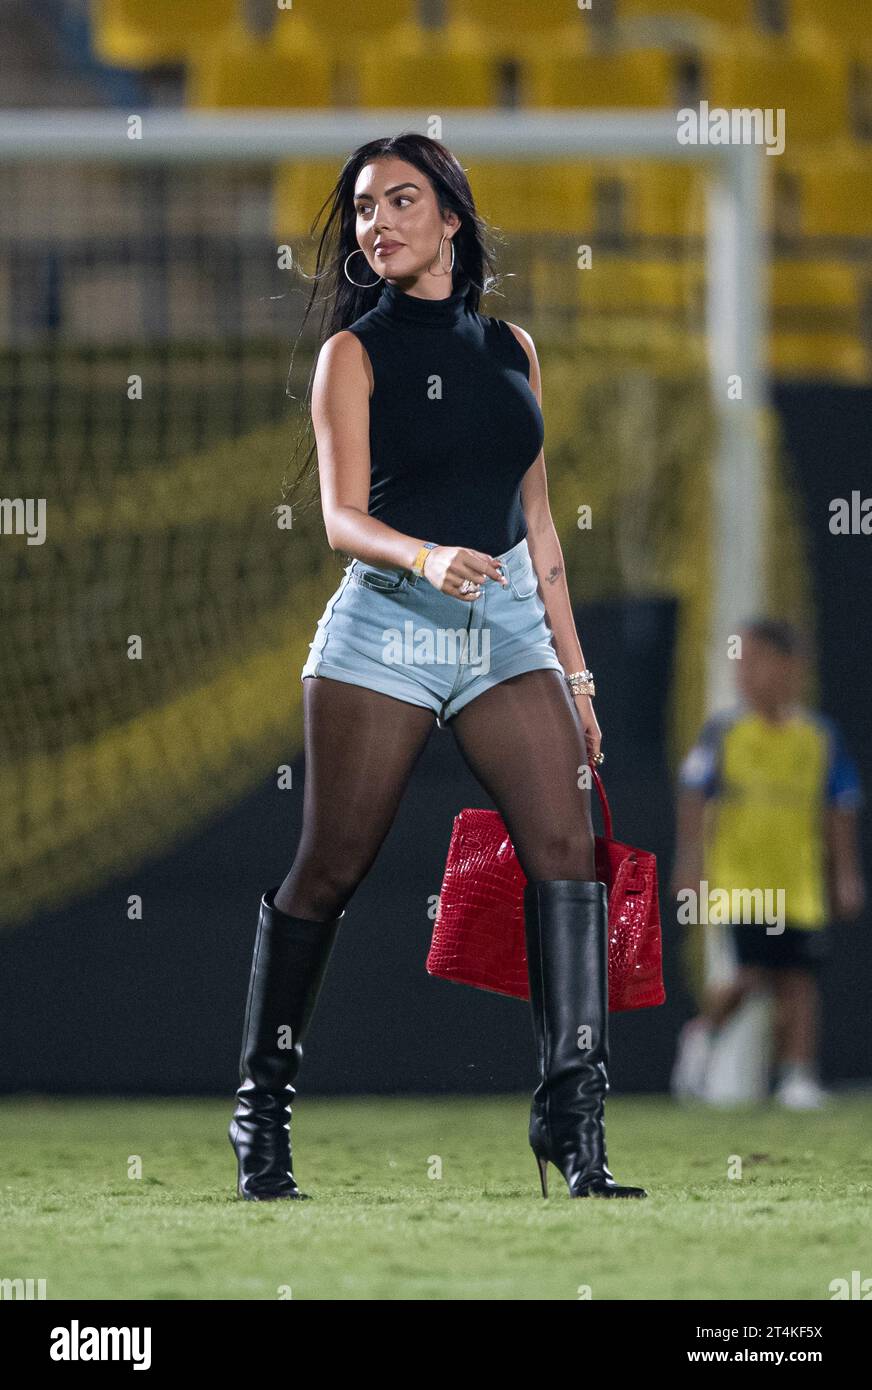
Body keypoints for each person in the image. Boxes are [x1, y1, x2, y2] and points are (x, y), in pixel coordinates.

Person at [228, 133, 647, 1201]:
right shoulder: (352, 354)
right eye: (365, 208)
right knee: (331, 868)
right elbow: (340, 518)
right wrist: (425, 556)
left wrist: (577, 677)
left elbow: (538, 525)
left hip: (504, 626)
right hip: (388, 625)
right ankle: (261, 1112)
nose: (379, 223)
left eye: (401, 200)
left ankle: (574, 1124)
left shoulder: (512, 347)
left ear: (451, 217)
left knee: (569, 851)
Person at [670, 618, 865, 1108]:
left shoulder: (818, 736)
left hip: (798, 880)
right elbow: (694, 794)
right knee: (753, 973)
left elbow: (840, 805)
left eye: (755, 661)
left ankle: (797, 1076)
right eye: (742, 663)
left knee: (799, 979)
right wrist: (689, 864)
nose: (744, 673)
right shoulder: (724, 732)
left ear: (789, 667)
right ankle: (701, 1037)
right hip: (743, 879)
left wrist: (846, 874)